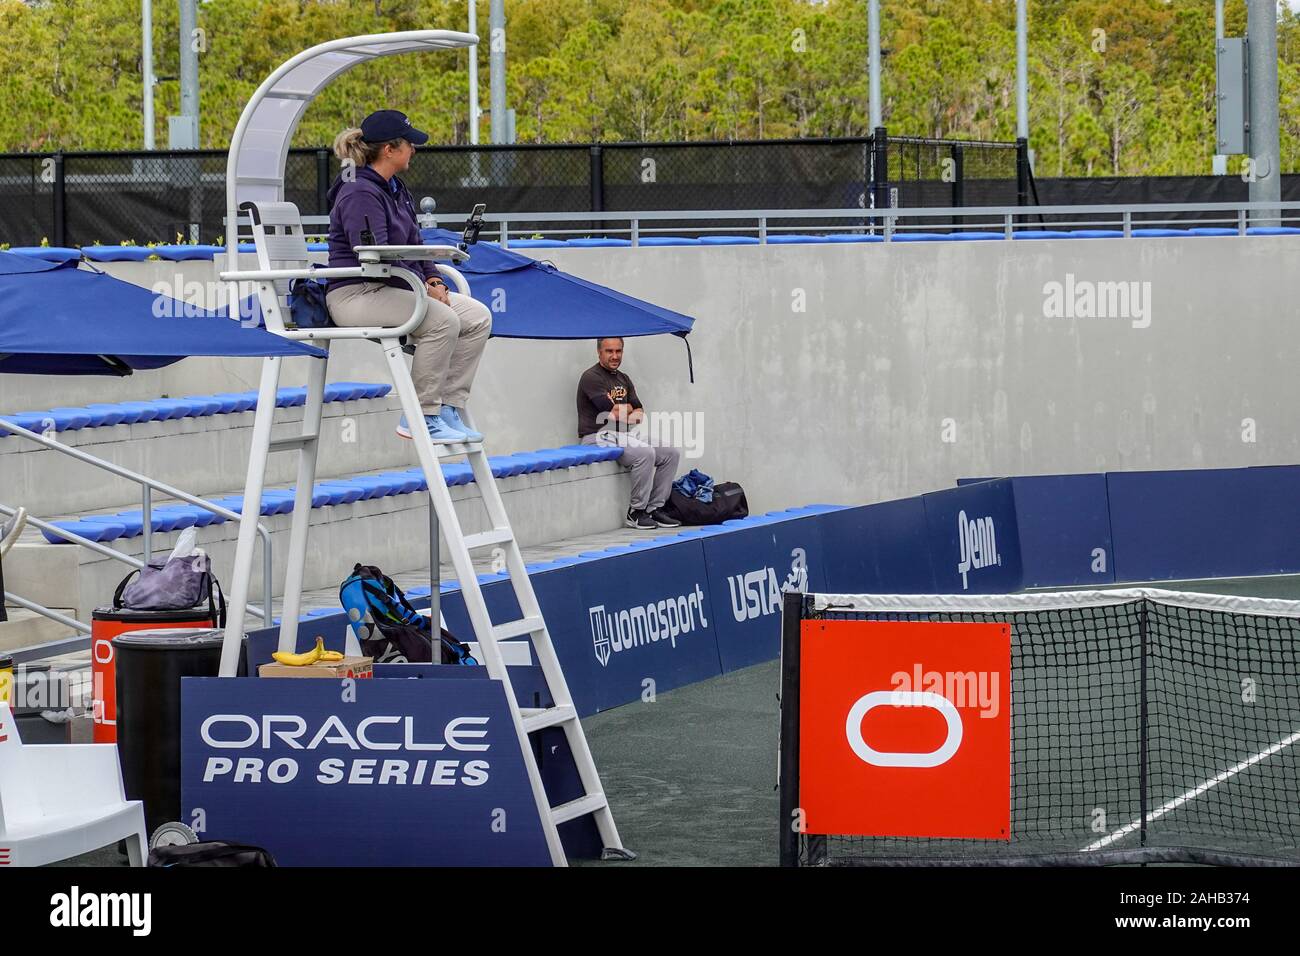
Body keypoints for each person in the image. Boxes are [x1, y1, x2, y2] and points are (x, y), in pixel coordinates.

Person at [325, 110, 491, 444]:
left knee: (477, 316)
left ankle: (447, 408)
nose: (414, 150)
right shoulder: (360, 192)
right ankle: (420, 416)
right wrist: (422, 290)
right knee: (443, 320)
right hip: (356, 294)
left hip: (396, 287)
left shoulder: (396, 188)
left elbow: (415, 244)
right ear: (389, 149)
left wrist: (433, 281)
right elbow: (376, 256)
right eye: (410, 144)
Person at [577, 338, 682, 530]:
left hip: (624, 434)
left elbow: (639, 413)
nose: (615, 356)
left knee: (670, 453)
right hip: (596, 436)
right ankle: (636, 512)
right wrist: (624, 411)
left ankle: (654, 508)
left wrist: (623, 411)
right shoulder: (591, 377)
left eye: (618, 351)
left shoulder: (623, 379)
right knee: (645, 453)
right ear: (599, 352)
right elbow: (609, 411)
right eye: (609, 351)